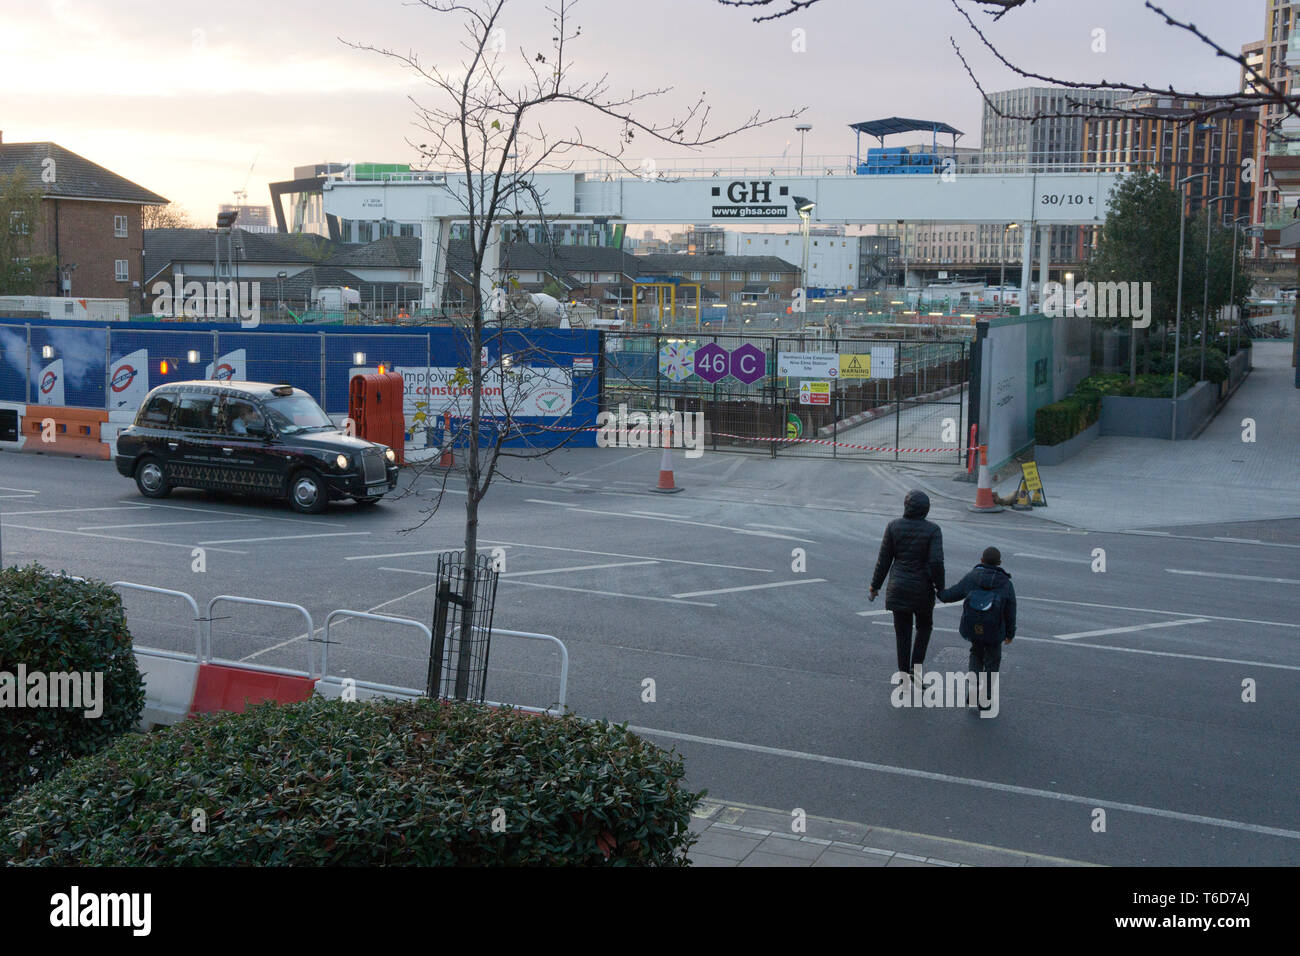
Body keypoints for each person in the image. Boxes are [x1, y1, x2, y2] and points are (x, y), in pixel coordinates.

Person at [869, 490, 945, 684]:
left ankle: (903, 675)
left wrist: (875, 586)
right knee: (924, 627)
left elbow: (884, 560)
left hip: (898, 587)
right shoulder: (933, 530)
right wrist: (940, 587)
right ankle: (915, 670)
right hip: (922, 589)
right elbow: (936, 563)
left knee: (902, 633)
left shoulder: (893, 526)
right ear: (926, 510)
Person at [939, 546, 1017, 713]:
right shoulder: (1005, 583)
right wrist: (1010, 633)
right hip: (995, 630)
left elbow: (951, 595)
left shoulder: (972, 577)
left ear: (981, 560)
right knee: (992, 661)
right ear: (999, 563)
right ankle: (985, 698)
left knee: (976, 653)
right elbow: (1011, 611)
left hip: (974, 627)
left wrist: (938, 590)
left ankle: (973, 690)